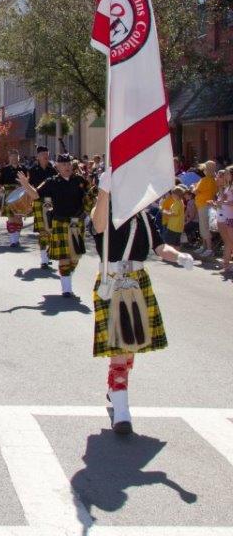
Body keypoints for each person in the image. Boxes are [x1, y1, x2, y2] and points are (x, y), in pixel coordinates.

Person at [91, 173, 193, 434]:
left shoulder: (144, 217)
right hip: (113, 280)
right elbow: (98, 225)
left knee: (130, 344)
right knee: (120, 346)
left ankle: (116, 392)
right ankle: (122, 413)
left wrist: (179, 255)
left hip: (137, 280)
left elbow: (159, 248)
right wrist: (103, 191)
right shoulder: (106, 209)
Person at [18, 153, 95, 299]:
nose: (66, 167)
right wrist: (25, 184)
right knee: (64, 257)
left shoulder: (80, 180)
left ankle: (66, 275)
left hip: (76, 223)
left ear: (72, 165)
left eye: (68, 164)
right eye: (63, 164)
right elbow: (35, 195)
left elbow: (89, 197)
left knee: (76, 256)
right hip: (59, 222)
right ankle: (66, 289)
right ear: (57, 166)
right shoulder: (51, 182)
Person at [27, 145, 58, 269]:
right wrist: (28, 204)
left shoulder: (53, 170)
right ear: (38, 157)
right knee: (43, 232)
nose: (46, 157)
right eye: (43, 155)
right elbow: (29, 188)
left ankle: (48, 252)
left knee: (52, 230)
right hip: (39, 202)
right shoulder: (33, 170)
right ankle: (44, 259)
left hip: (52, 202)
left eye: (47, 154)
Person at [0, 149, 27, 248]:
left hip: (21, 195)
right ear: (9, 158)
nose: (14, 159)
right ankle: (13, 241)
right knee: (11, 218)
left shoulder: (24, 169)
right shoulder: (4, 170)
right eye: (12, 157)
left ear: (18, 158)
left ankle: (16, 239)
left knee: (19, 218)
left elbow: (28, 183)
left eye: (15, 157)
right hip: (9, 195)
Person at [193, 161, 218, 257]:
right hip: (207, 205)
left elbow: (196, 191)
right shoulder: (214, 180)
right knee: (204, 226)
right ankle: (204, 246)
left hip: (203, 205)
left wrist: (193, 187)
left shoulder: (204, 180)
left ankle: (209, 248)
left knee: (204, 227)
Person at [211, 167, 233, 275]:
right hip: (225, 217)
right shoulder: (227, 188)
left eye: (227, 174)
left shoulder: (230, 188)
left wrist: (222, 203)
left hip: (228, 218)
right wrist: (217, 204)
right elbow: (222, 203)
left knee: (229, 242)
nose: (226, 176)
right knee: (228, 242)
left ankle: (227, 264)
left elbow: (229, 203)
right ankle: (226, 265)